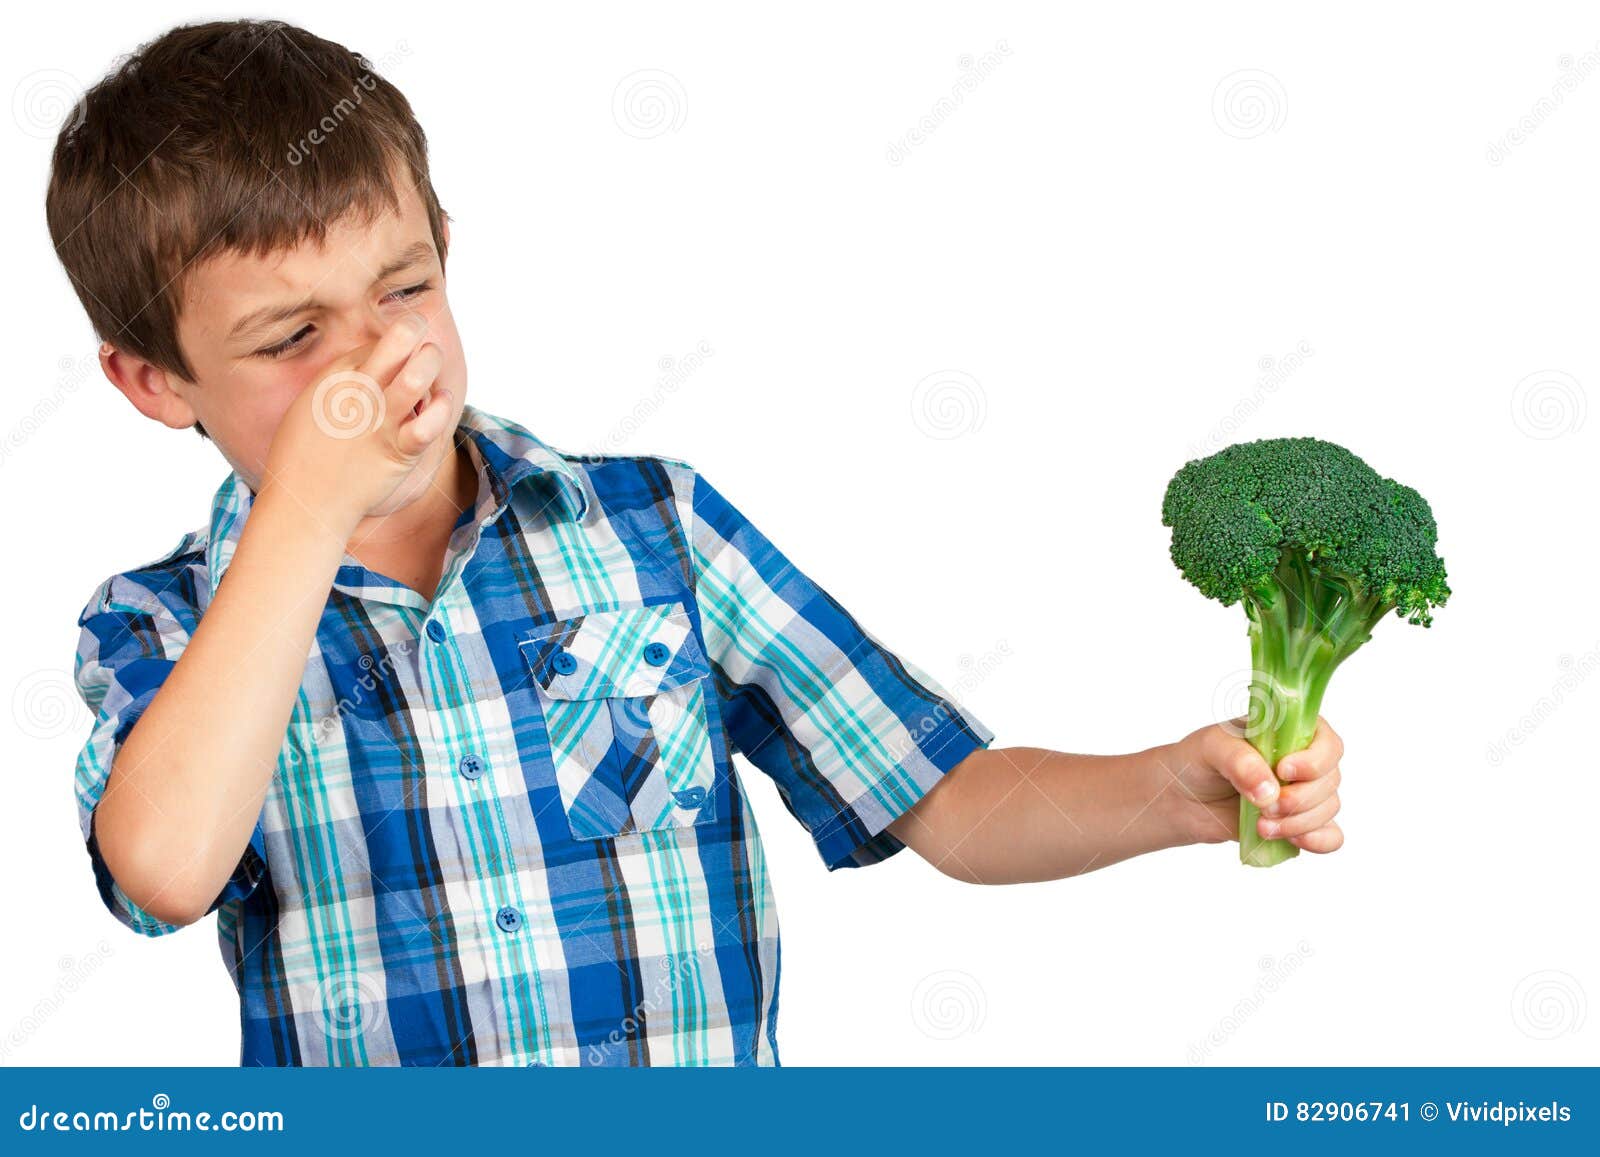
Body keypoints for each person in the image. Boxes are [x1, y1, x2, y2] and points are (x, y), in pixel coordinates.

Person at [50, 19, 1344, 1067]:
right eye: (292, 339)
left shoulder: (653, 528)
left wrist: (1161, 791)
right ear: (155, 382)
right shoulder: (163, 624)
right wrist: (308, 512)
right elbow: (164, 871)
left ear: (447, 253)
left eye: (404, 287)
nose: (377, 358)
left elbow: (943, 796)